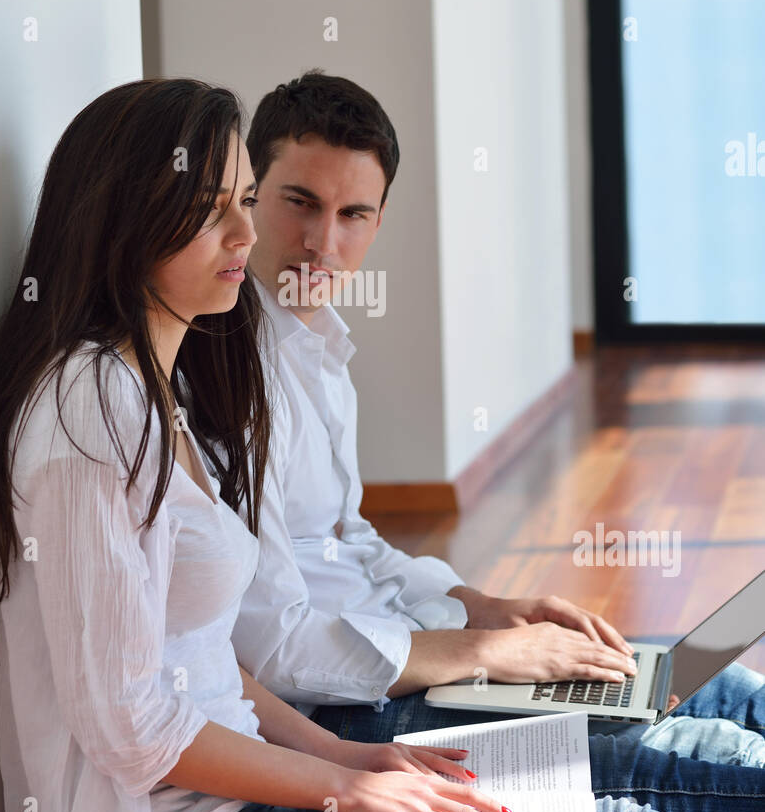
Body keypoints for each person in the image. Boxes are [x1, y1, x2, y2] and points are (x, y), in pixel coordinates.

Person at [0, 78, 765, 812]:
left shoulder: (150, 393)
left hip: (261, 780)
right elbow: (131, 726)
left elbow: (200, 657)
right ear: (123, 221)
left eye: (240, 203)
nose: (252, 237)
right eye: (217, 212)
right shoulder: (95, 415)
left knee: (653, 738)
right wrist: (349, 776)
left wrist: (346, 757)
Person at [231, 70, 765, 767]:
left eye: (353, 214)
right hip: (352, 704)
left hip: (412, 648)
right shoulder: (224, 375)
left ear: (379, 219)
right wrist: (483, 651)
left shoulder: (318, 346)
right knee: (706, 750)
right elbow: (271, 650)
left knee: (716, 683)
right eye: (299, 202)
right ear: (248, 196)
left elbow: (347, 538)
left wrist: (478, 604)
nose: (322, 243)